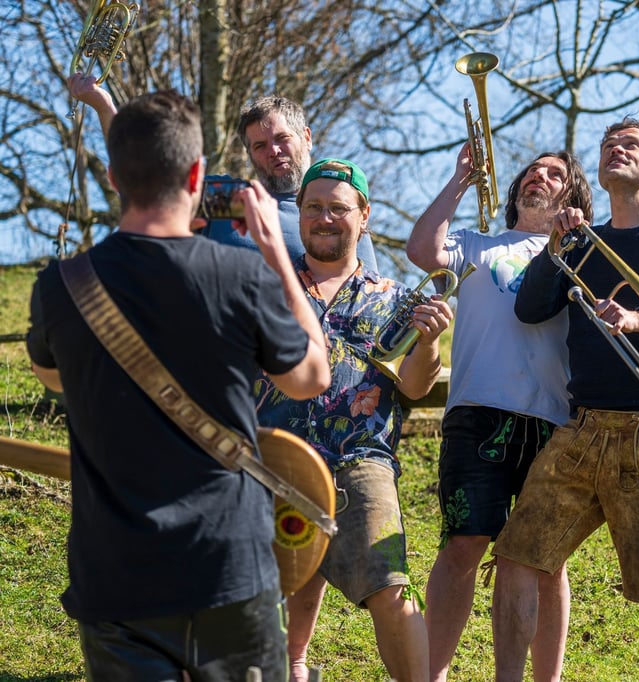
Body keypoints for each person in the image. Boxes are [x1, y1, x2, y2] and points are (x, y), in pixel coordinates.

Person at [26, 89, 331, 681]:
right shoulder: (242, 274)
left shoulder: (63, 285)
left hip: (116, 574)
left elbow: (49, 376)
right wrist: (273, 256)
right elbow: (311, 379)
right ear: (196, 175)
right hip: (229, 569)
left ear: (114, 177)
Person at [492, 118, 639, 682]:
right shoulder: (583, 242)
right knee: (517, 553)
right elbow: (530, 309)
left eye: (630, 145)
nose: (615, 148)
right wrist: (558, 245)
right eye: (609, 144)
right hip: (581, 427)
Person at [255, 158, 453, 682]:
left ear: (363, 217)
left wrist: (429, 341)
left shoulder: (395, 300)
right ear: (298, 216)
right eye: (314, 207)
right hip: (270, 459)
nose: (325, 218)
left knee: (391, 584)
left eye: (338, 209)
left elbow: (414, 385)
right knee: (257, 589)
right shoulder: (264, 289)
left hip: (359, 461)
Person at [406, 145, 593, 681]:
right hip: (477, 411)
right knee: (462, 544)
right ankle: (430, 674)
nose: (540, 177)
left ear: (572, 195)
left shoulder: (580, 253)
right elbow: (422, 248)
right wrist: (460, 180)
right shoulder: (475, 243)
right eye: (533, 172)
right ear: (515, 191)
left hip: (555, 420)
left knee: (546, 560)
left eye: (556, 174)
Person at [66, 74, 377, 267]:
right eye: (260, 146)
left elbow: (366, 304)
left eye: (283, 139)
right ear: (250, 154)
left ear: (307, 137)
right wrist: (104, 107)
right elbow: (145, 180)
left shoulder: (339, 213)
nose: (274, 151)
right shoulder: (232, 200)